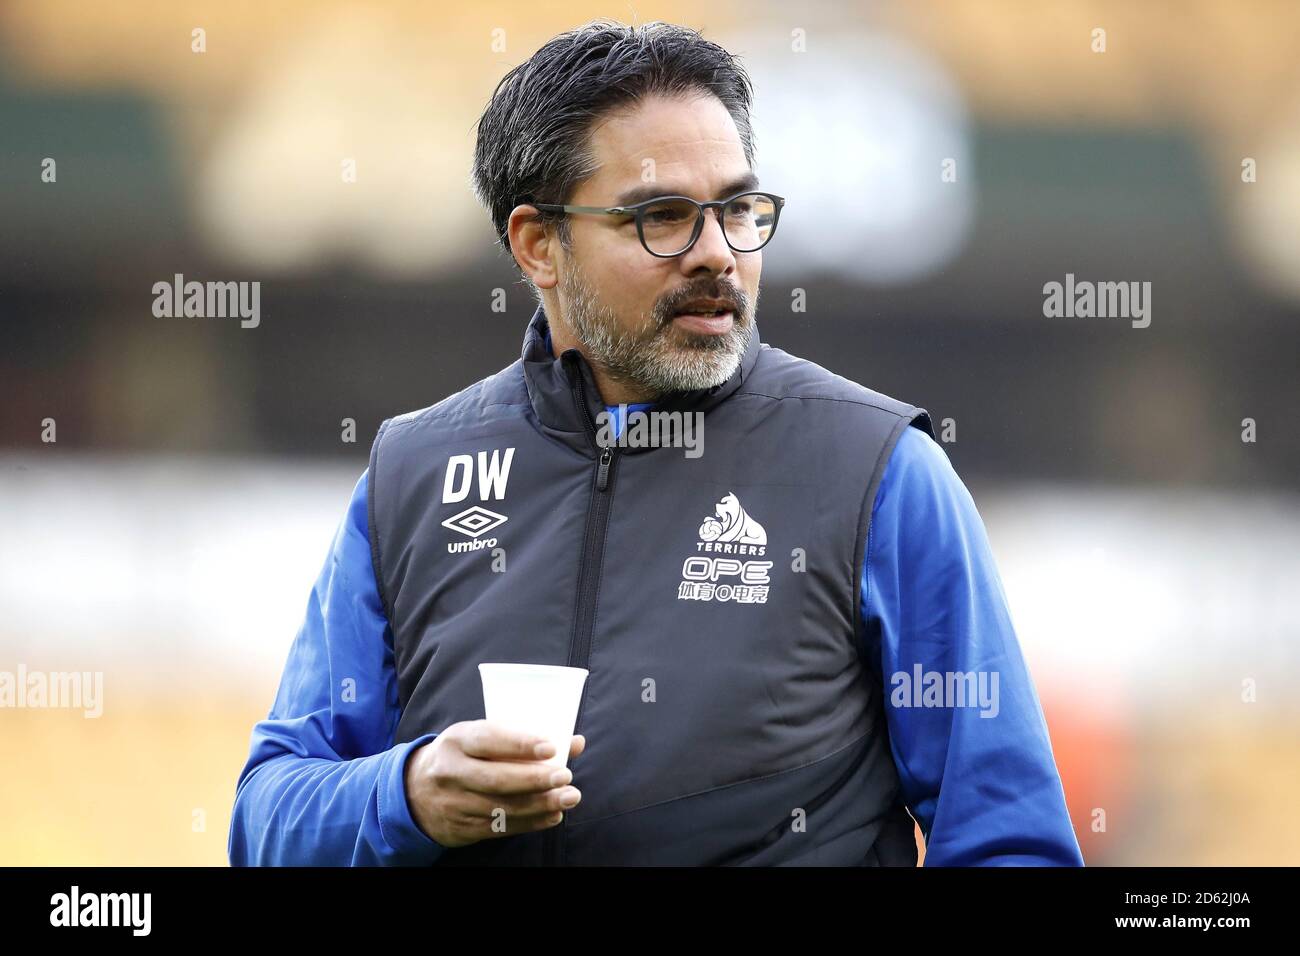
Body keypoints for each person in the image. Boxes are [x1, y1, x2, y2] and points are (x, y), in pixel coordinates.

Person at [228, 19, 1082, 866]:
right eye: (662, 217)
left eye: (738, 210)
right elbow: (264, 822)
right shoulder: (411, 476)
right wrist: (406, 796)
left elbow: (1011, 843)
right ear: (538, 245)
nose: (716, 253)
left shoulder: (882, 472)